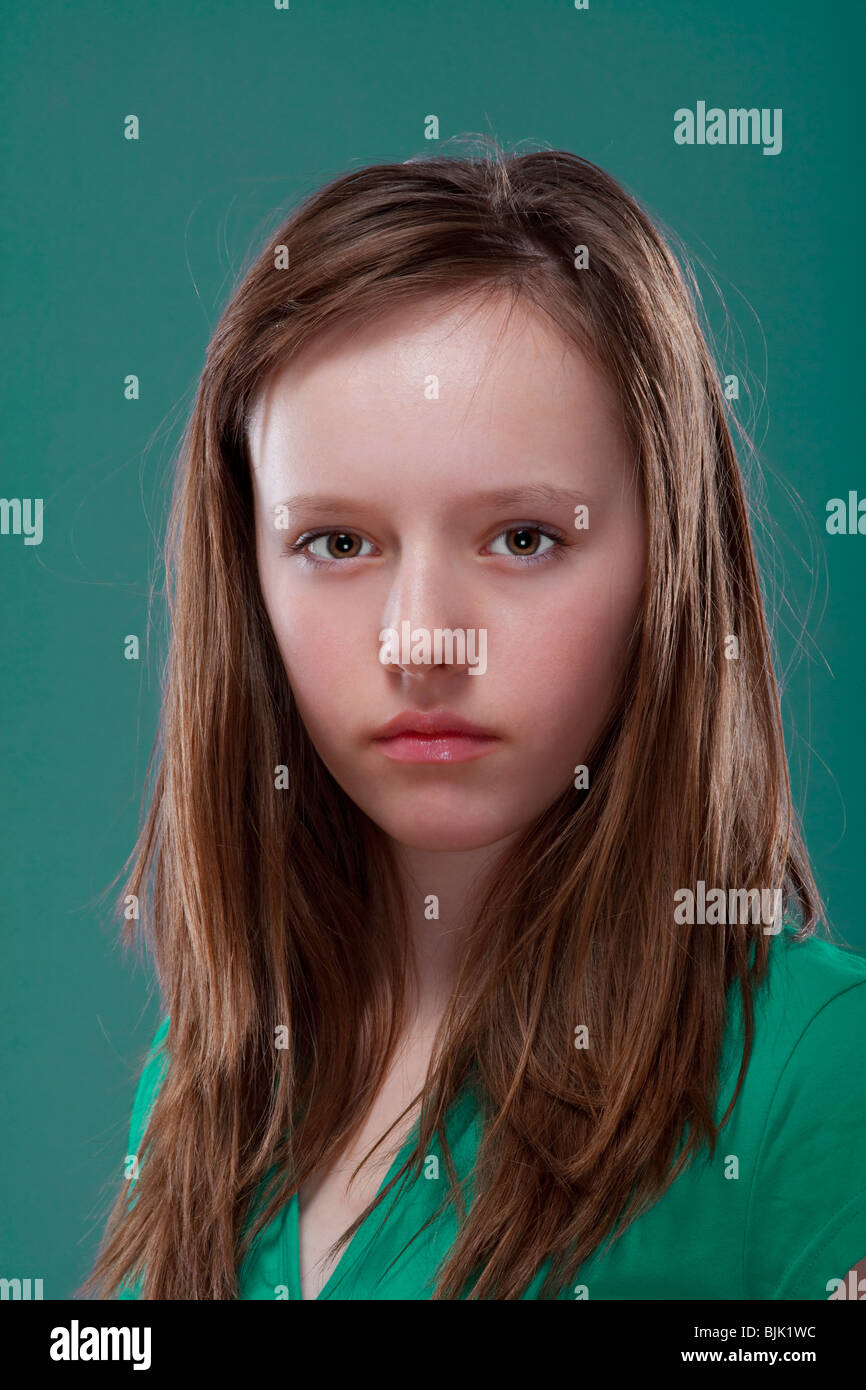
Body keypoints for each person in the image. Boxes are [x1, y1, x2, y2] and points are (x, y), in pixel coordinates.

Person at [81, 142, 866, 1301]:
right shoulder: (209, 1073)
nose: (422, 639)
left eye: (523, 539)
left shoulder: (816, 1077)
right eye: (336, 543)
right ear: (248, 577)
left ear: (668, 567)